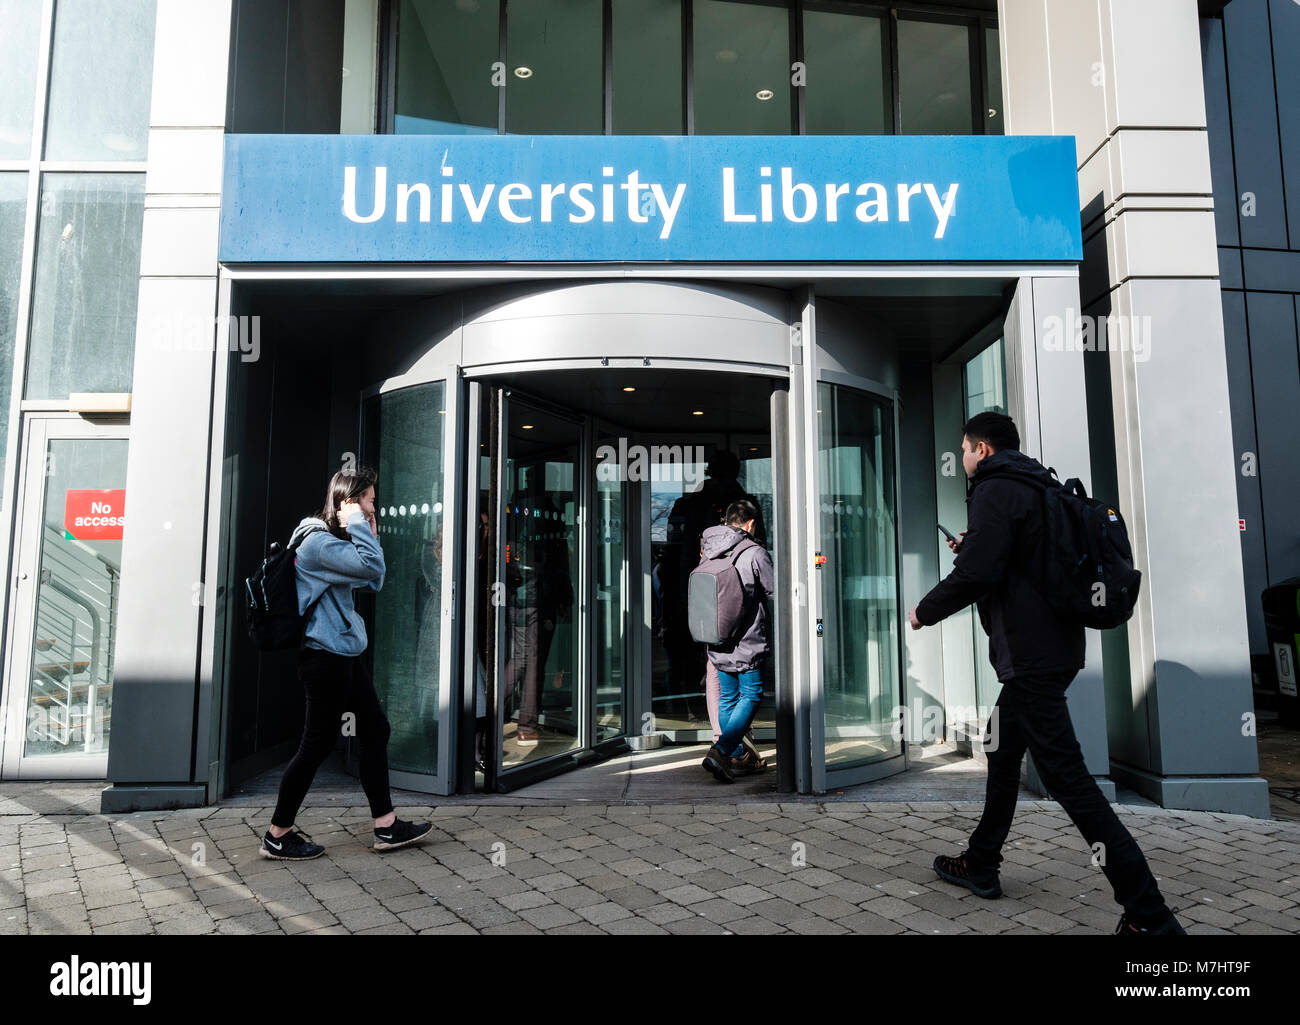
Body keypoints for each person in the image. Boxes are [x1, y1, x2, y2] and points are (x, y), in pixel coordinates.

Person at [908, 411, 1185, 935]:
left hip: (1030, 661)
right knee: (1000, 746)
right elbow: (1018, 559)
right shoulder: (1038, 484)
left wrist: (925, 609)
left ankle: (1149, 915)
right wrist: (977, 545)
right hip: (1054, 649)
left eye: (965, 450)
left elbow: (979, 574)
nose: (962, 459)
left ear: (981, 450)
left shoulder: (994, 489)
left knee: (1071, 782)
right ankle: (982, 862)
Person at [260, 466, 433, 861]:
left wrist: (364, 529)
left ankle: (386, 826)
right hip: (325, 657)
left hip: (341, 654)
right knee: (316, 745)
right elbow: (372, 568)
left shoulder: (333, 542)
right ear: (349, 502)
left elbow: (373, 581)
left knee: (375, 729)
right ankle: (277, 833)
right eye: (370, 500)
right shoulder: (317, 544)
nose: (376, 507)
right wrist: (358, 522)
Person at [666, 451, 767, 765]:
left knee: (716, 669)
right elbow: (758, 551)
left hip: (701, 595)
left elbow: (677, 552)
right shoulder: (745, 503)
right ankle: (728, 745)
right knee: (745, 682)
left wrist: (682, 595)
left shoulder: (691, 503)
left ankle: (725, 740)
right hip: (744, 605)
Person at [700, 499, 774, 782]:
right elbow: (773, 589)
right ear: (751, 523)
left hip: (717, 637)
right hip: (748, 639)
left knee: (729, 697)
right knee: (752, 694)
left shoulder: (708, 550)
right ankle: (721, 751)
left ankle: (728, 759)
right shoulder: (754, 552)